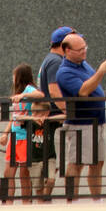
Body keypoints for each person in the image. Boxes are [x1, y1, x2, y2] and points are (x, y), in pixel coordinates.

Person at [55, 33, 106, 202]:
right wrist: (101, 72)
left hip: (97, 122)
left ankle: (97, 200)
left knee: (97, 162)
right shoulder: (64, 72)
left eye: (85, 48)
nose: (84, 52)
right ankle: (72, 202)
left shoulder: (83, 65)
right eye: (80, 50)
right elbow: (83, 91)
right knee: (77, 163)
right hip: (81, 124)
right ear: (67, 51)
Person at [35, 25, 75, 198]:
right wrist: (69, 111)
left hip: (48, 121)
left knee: (47, 170)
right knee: (49, 171)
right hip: (53, 120)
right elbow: (54, 91)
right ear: (64, 44)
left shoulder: (49, 60)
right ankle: (43, 207)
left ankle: (43, 205)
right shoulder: (56, 61)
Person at [0, 64, 42, 203]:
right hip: (14, 136)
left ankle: (25, 204)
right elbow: (15, 116)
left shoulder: (29, 90)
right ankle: (9, 203)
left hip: (26, 136)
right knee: (8, 173)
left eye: (14, 76)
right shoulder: (17, 93)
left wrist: (24, 95)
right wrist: (5, 133)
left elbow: (40, 95)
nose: (13, 79)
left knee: (24, 174)